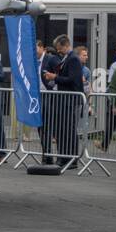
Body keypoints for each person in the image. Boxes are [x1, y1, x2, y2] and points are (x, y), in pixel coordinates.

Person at [41, 35, 84, 168]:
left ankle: (71, 159)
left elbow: (72, 79)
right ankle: (64, 157)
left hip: (70, 100)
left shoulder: (73, 59)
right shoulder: (67, 58)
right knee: (62, 130)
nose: (58, 51)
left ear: (66, 45)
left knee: (69, 130)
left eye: (60, 49)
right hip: (64, 99)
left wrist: (55, 77)